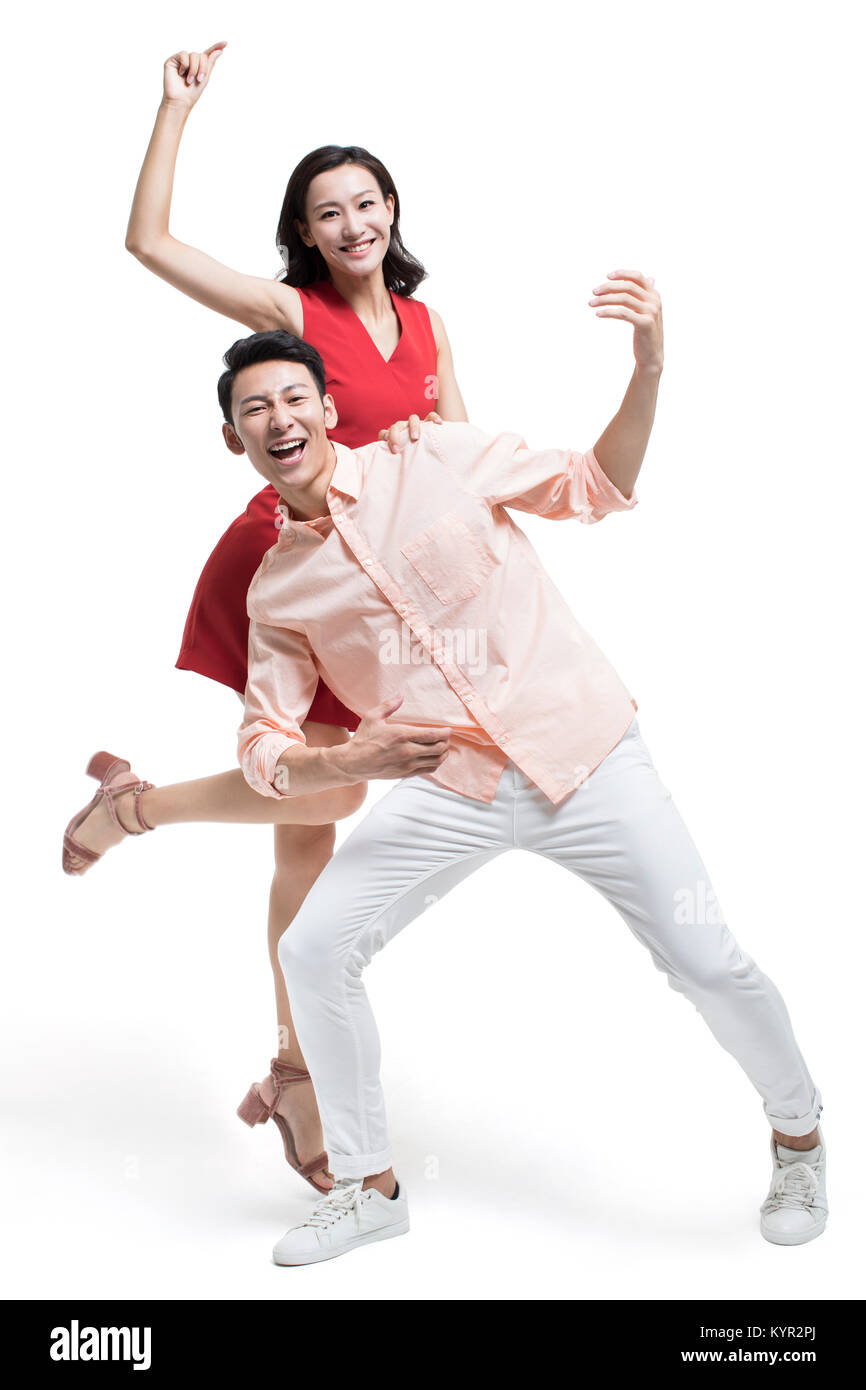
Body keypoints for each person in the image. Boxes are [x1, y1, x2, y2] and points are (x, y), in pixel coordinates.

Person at [209, 326, 827, 1265]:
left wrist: (647, 372)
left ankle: (799, 1139)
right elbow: (264, 743)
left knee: (706, 961)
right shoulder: (280, 589)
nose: (277, 419)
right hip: (448, 783)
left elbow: (594, 486)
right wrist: (348, 762)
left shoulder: (439, 455)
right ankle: (367, 1185)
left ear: (329, 410)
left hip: (585, 752)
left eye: (293, 397)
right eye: (254, 409)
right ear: (234, 439)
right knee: (314, 946)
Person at [63, 40, 467, 1196]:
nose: (349, 224)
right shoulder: (287, 307)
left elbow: (455, 453)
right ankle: (135, 813)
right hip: (288, 560)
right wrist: (173, 111)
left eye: (364, 203)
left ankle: (292, 1064)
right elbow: (147, 244)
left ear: (391, 210)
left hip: (375, 577)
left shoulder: (430, 324)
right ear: (302, 230)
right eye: (324, 211)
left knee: (310, 825)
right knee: (328, 784)